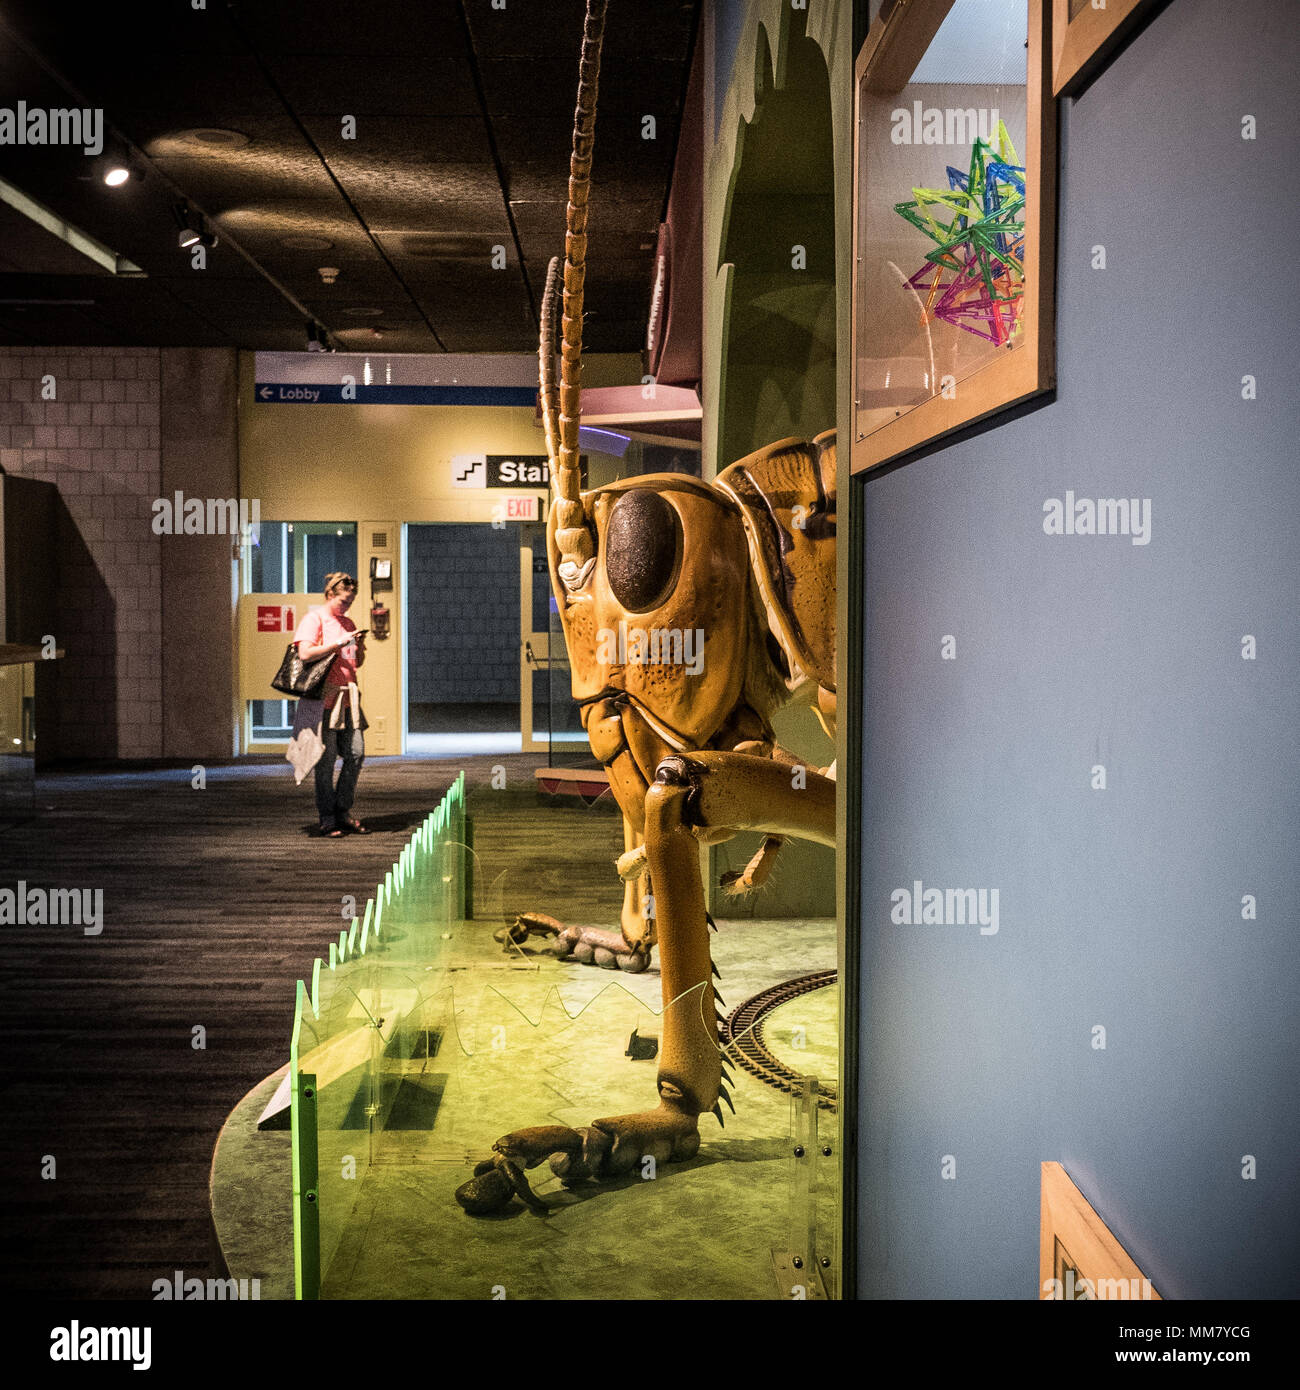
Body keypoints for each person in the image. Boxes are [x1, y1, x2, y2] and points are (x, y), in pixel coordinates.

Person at [289, 571, 368, 837]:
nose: (347, 606)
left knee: (356, 753)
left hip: (348, 698)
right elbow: (305, 652)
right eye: (344, 601)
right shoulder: (315, 619)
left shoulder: (347, 622)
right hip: (324, 699)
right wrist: (337, 643)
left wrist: (359, 647)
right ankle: (328, 817)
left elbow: (353, 663)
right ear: (330, 594)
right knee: (326, 760)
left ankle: (342, 810)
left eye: (351, 601)